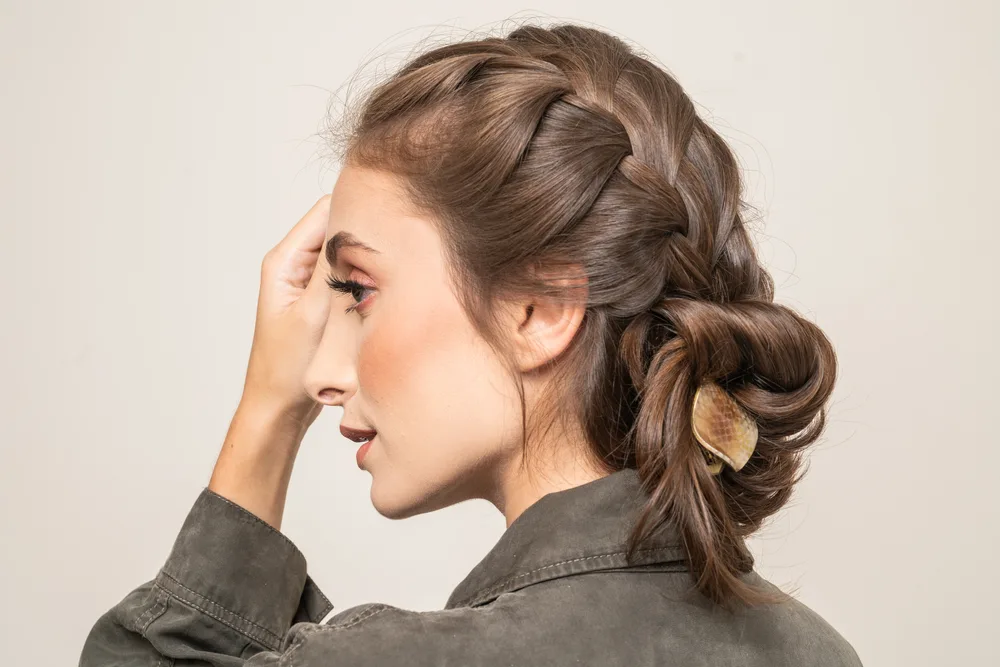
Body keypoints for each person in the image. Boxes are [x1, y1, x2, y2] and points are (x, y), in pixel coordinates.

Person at [79, 22, 862, 667]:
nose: (319, 371)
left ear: (538, 309)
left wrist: (265, 414)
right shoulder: (822, 651)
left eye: (356, 288)